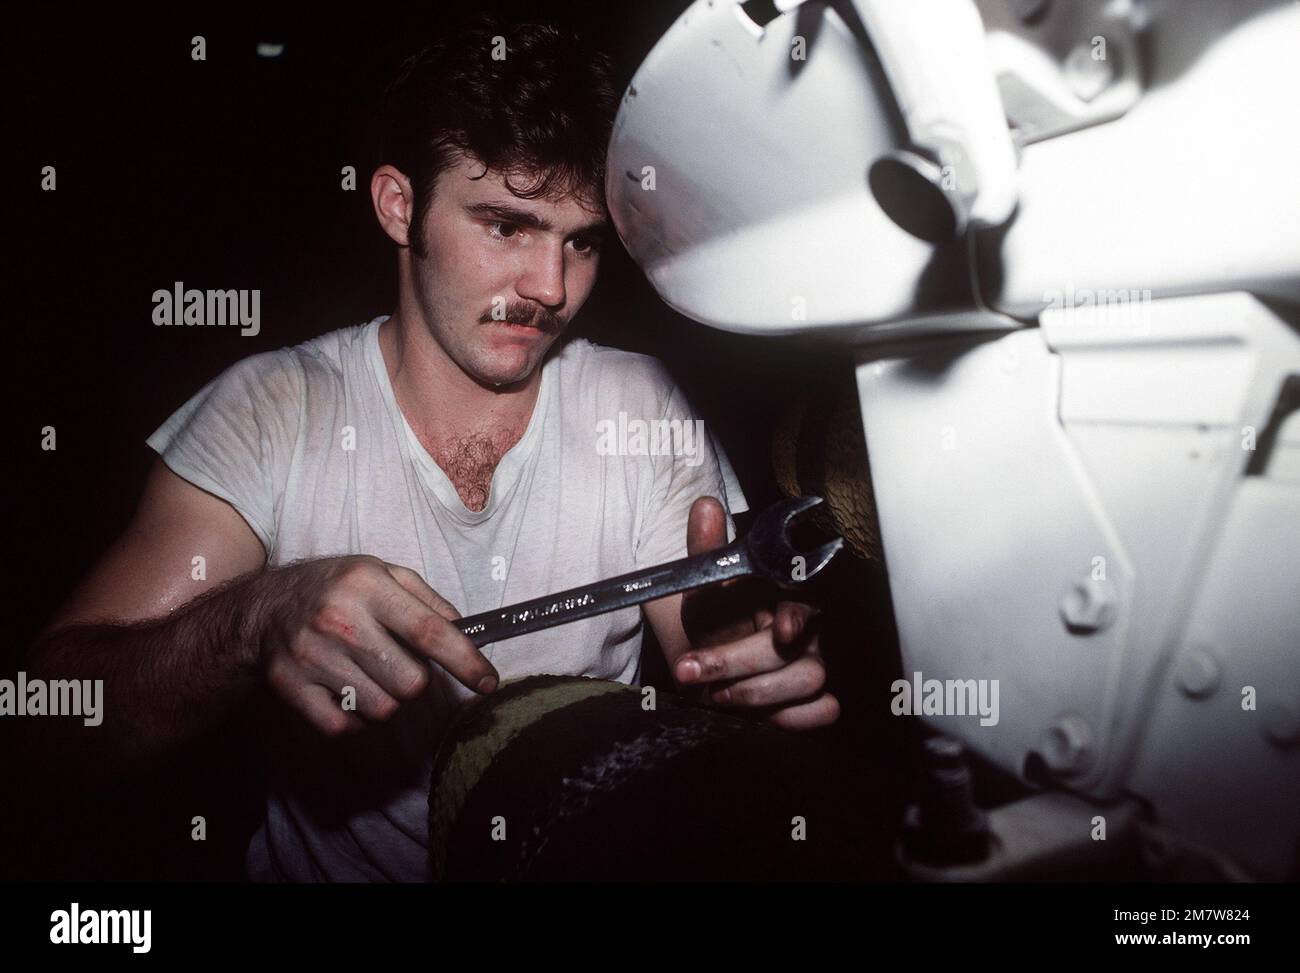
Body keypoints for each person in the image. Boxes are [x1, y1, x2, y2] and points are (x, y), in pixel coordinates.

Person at [22, 14, 838, 881]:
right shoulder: (273, 410)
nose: (551, 288)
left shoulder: (636, 403)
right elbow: (48, 728)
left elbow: (712, 646)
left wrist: (749, 668)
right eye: (505, 226)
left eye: (581, 241)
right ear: (398, 205)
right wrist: (255, 617)